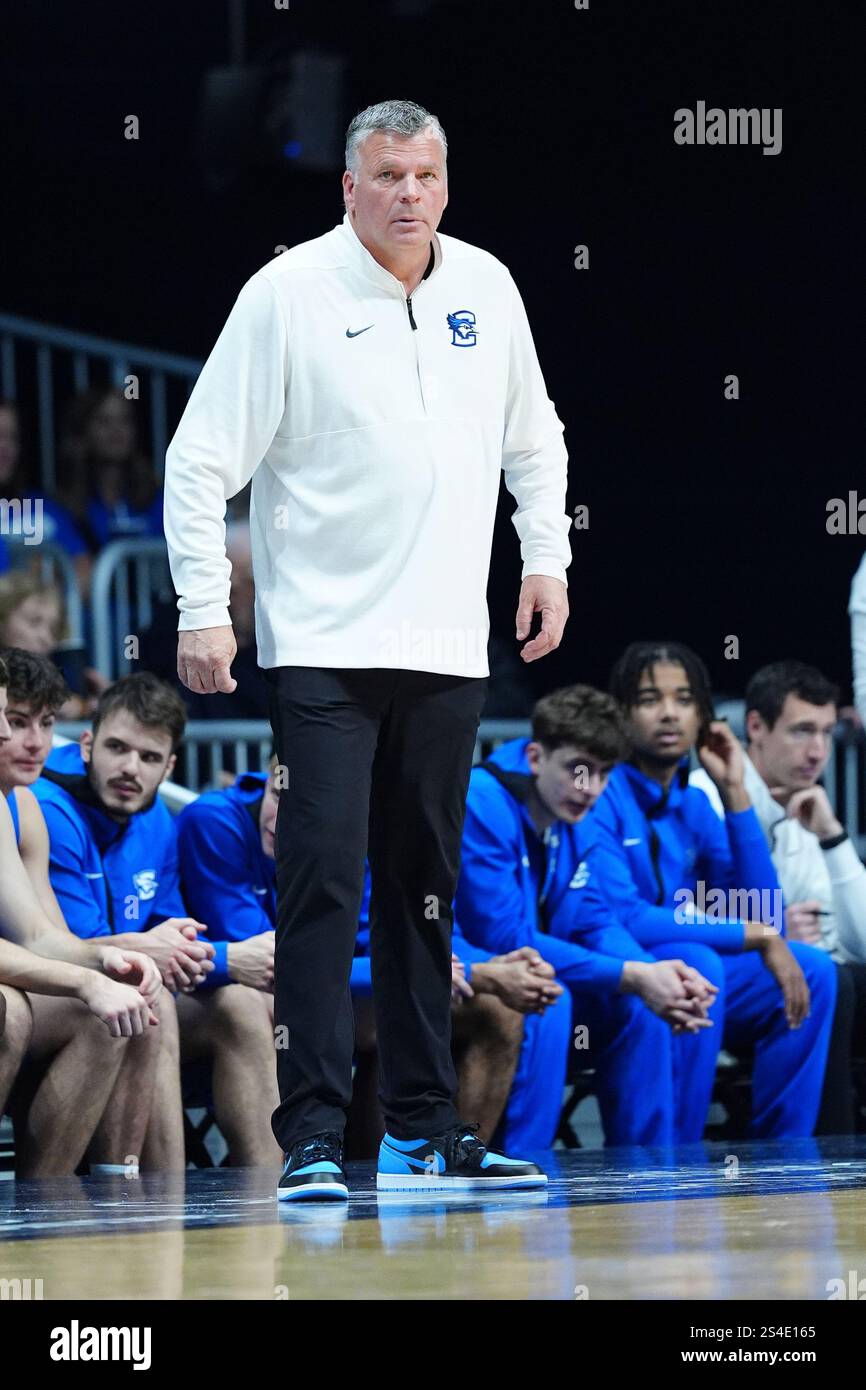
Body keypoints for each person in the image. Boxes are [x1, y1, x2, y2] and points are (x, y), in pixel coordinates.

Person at [164, 99, 573, 1198]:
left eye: (426, 176)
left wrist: (546, 560)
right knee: (320, 882)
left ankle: (421, 1131)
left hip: (447, 644)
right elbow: (200, 460)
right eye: (386, 175)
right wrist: (206, 605)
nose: (407, 195)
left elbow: (534, 438)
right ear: (347, 186)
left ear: (446, 182)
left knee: (423, 890)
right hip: (325, 647)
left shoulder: (486, 287)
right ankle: (309, 1134)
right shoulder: (287, 292)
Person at [177, 761, 571, 1164]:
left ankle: (444, 1165)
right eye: (280, 796)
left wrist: (492, 966)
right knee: (284, 1003)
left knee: (490, 1009)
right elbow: (281, 968)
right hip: (243, 1003)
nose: (287, 820)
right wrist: (477, 973)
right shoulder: (214, 821)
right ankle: (277, 1178)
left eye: (310, 808)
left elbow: (387, 940)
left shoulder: (356, 837)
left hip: (327, 1001)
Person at [584, 641, 837, 1138]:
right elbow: (625, 916)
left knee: (815, 969)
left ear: (704, 716)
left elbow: (763, 911)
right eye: (650, 699)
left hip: (686, 965)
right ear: (622, 713)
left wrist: (735, 793)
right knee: (696, 960)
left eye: (684, 700)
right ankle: (668, 1162)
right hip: (614, 972)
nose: (669, 714)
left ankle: (783, 1159)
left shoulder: (694, 804)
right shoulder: (600, 791)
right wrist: (758, 935)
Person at [456, 684, 720, 1147]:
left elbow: (595, 920)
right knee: (548, 998)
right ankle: (527, 1167)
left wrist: (650, 972)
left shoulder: (575, 814)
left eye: (601, 774)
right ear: (536, 756)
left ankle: (652, 1173)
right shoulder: (484, 803)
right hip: (463, 972)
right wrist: (633, 973)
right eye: (578, 770)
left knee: (644, 1002)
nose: (589, 788)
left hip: (528, 965)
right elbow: (506, 938)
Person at [30, 672, 218, 1169]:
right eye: (117, 748)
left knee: (242, 1006)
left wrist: (183, 951)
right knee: (145, 1003)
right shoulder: (45, 804)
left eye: (150, 757)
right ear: (88, 744)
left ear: (169, 766)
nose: (130, 769)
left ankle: (262, 1195)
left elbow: (171, 925)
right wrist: (152, 952)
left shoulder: (157, 817)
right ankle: (140, 1198)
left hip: (114, 984)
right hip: (48, 986)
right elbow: (66, 944)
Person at [0, 652, 162, 1176]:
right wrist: (84, 980)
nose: (30, 741)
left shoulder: (20, 804)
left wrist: (106, 960)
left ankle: (57, 1202)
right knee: (10, 1009)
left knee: (124, 1003)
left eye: (45, 724)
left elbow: (39, 935)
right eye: (11, 720)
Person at [691, 660, 866, 1134]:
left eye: (827, 733)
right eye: (802, 731)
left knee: (847, 976)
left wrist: (830, 835)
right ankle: (831, 1152)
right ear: (756, 728)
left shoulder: (807, 802)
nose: (818, 752)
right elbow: (686, 911)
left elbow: (861, 941)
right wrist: (771, 930)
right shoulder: (705, 796)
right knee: (829, 977)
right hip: (718, 985)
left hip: (788, 978)